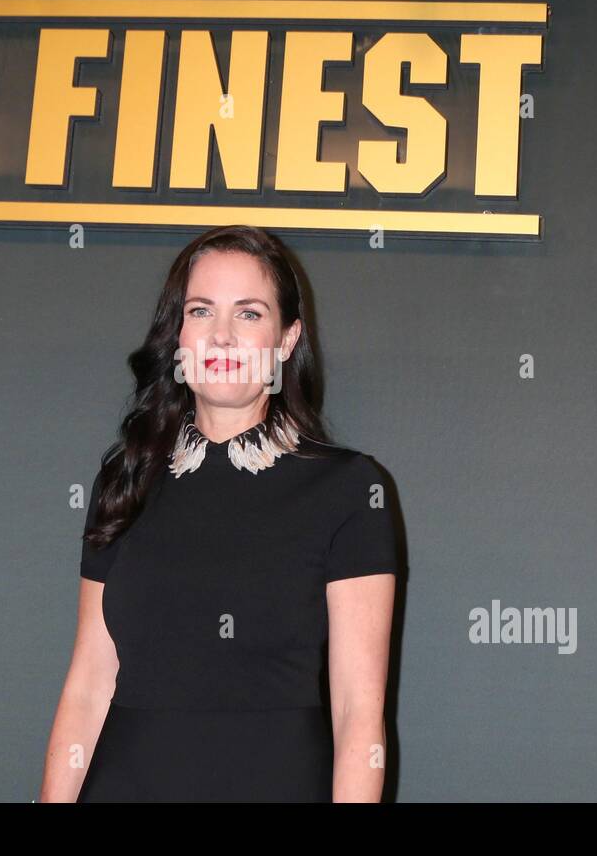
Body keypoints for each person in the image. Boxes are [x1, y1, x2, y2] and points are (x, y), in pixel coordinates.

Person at [39, 225, 399, 802]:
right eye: (202, 311)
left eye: (250, 314)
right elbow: (88, 682)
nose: (223, 337)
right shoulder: (126, 477)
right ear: (178, 335)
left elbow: (359, 713)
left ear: (287, 340)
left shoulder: (350, 489)